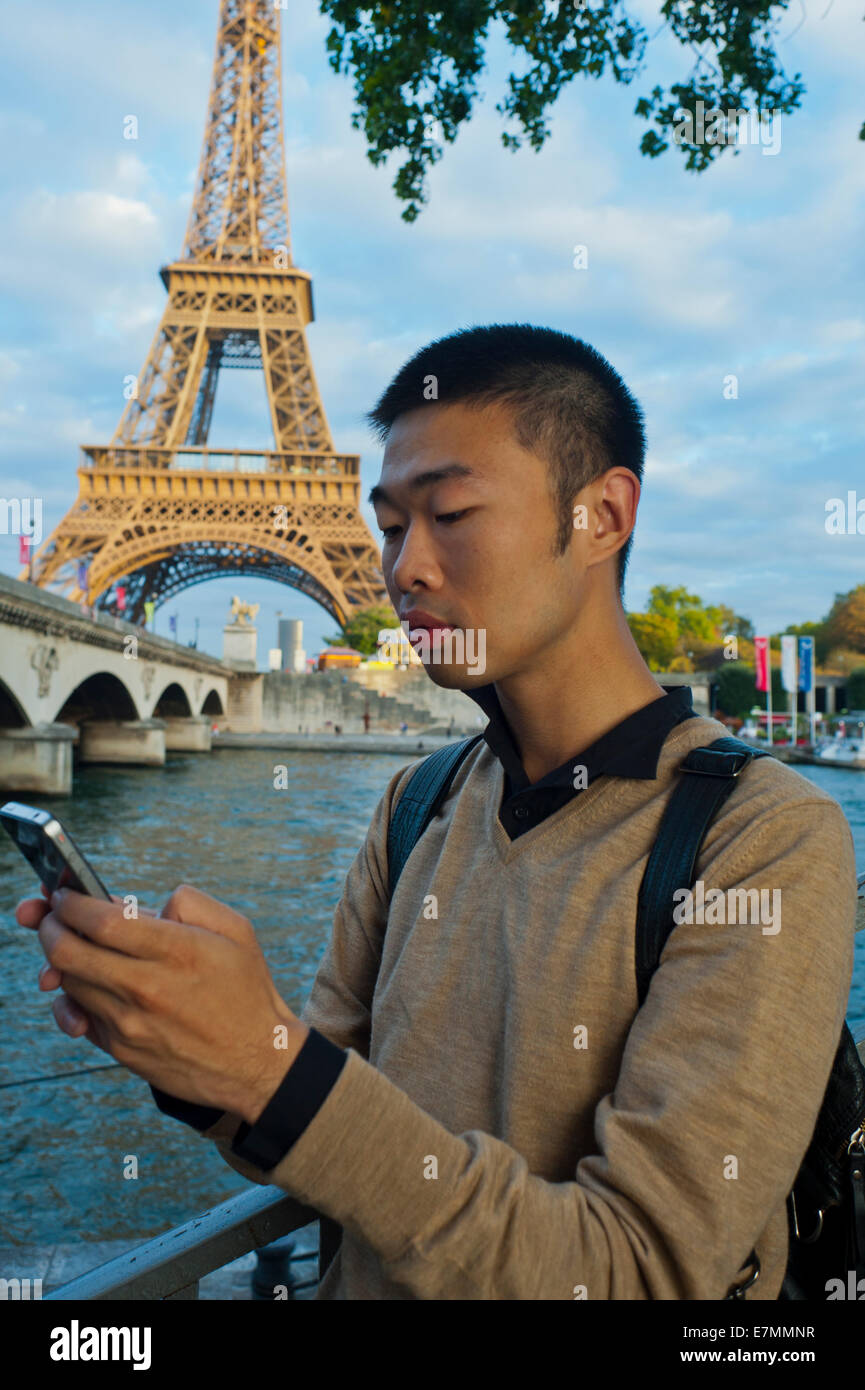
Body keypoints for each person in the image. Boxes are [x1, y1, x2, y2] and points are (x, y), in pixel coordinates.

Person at [17, 323, 856, 1301]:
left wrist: (267, 1069)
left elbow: (639, 1273)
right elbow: (314, 1137)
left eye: (450, 511)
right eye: (386, 525)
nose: (403, 566)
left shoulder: (764, 840)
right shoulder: (415, 804)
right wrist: (196, 1046)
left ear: (601, 515)